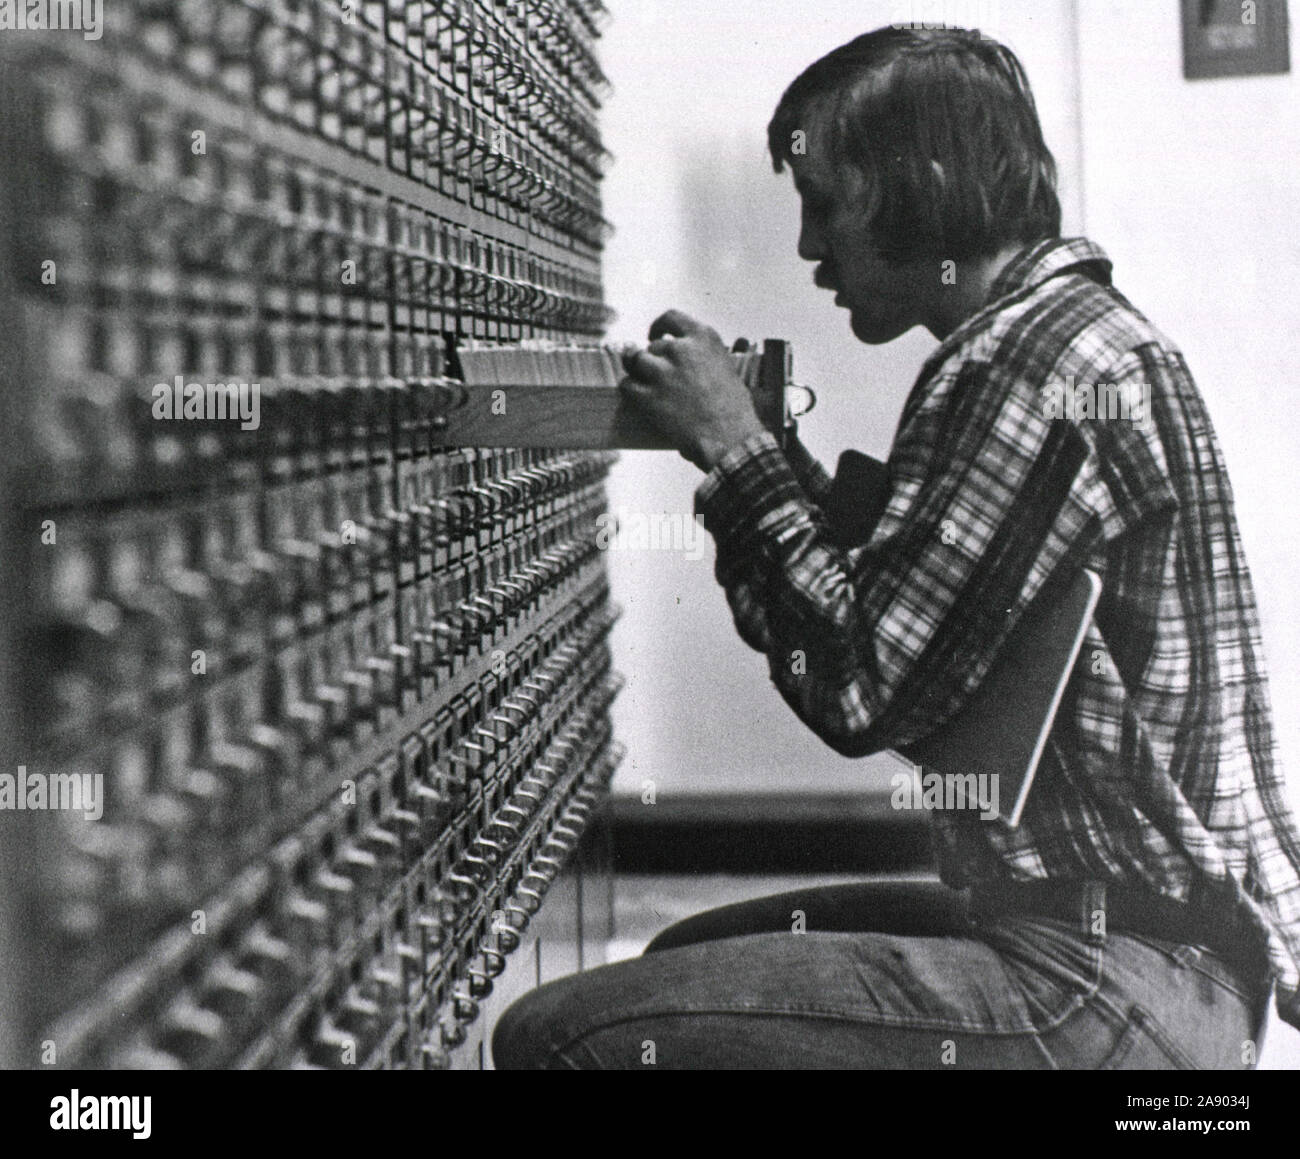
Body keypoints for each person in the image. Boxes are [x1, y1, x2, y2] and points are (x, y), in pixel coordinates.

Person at [492, 25, 1300, 1069]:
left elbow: (862, 680)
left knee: (563, 1037)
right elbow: (928, 611)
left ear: (915, 183)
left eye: (824, 201)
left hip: (1109, 978)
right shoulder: (1061, 334)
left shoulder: (1032, 365)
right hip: (1145, 953)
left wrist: (736, 453)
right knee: (688, 952)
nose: (807, 247)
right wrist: (769, 458)